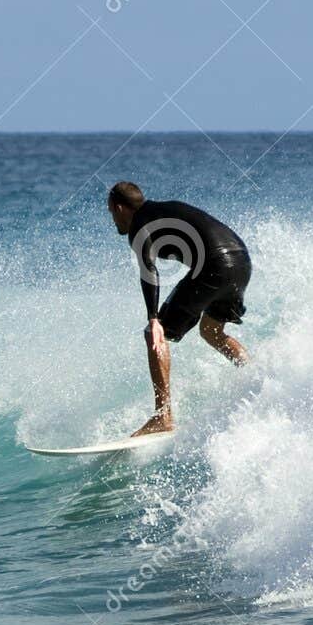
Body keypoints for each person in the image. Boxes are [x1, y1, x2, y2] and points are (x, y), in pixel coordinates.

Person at [107, 181, 251, 437]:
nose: (113, 220)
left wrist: (153, 319)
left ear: (119, 208)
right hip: (241, 262)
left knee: (155, 333)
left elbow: (149, 271)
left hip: (214, 265)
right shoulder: (165, 209)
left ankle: (163, 416)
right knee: (211, 331)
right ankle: (254, 376)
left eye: (111, 213)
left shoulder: (140, 225)